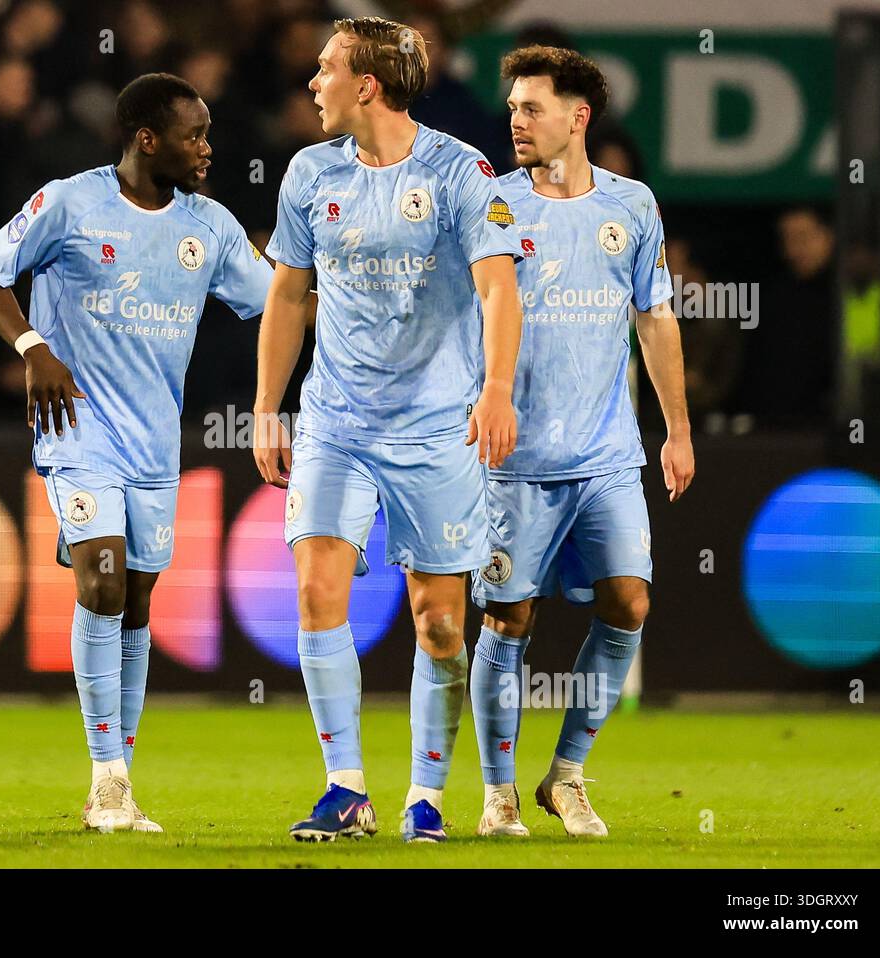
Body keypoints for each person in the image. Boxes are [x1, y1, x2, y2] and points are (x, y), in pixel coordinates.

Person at [0, 73, 274, 834]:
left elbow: (278, 299)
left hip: (153, 444)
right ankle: (104, 778)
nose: (207, 149)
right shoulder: (70, 202)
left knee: (135, 601)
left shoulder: (211, 228)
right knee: (100, 580)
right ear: (146, 139)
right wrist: (33, 346)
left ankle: (120, 782)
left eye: (207, 133)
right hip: (77, 432)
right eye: (193, 135)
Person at [254, 16, 524, 843]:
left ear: (366, 84)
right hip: (337, 420)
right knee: (313, 590)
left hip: (439, 426)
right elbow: (288, 294)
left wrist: (499, 390)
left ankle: (427, 797)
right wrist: (269, 406)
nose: (313, 84)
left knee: (439, 622)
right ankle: (345, 789)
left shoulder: (460, 171)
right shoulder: (308, 173)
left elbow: (497, 290)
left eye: (326, 70)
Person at [472, 46, 694, 837]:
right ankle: (498, 793)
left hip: (606, 454)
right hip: (515, 461)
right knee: (508, 620)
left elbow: (655, 316)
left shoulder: (632, 205)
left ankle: (565, 777)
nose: (516, 120)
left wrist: (677, 429)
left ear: (579, 117)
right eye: (513, 108)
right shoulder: (495, 204)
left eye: (532, 108)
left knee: (629, 601)